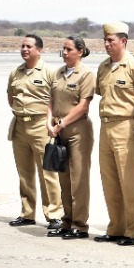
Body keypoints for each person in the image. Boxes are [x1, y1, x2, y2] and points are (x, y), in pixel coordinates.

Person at [94, 22, 134, 246]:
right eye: (105, 40)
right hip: (106, 126)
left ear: (123, 41)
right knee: (110, 180)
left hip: (128, 126)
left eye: (111, 40)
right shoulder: (103, 67)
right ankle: (116, 227)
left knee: (130, 181)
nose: (106, 44)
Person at [6, 34, 62, 227]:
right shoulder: (16, 72)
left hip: (41, 126)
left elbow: (55, 100)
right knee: (24, 172)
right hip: (20, 125)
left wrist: (50, 123)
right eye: (22, 46)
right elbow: (11, 97)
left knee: (47, 172)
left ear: (40, 50)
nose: (24, 49)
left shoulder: (49, 72)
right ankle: (27, 213)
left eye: (29, 46)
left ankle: (53, 214)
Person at [45, 36, 96, 239]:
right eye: (63, 49)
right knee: (63, 179)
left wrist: (61, 124)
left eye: (68, 49)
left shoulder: (86, 74)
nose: (64, 53)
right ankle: (66, 221)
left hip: (77, 131)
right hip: (58, 130)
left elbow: (83, 105)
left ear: (80, 51)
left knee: (79, 179)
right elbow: (51, 100)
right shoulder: (58, 73)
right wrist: (49, 123)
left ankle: (80, 225)